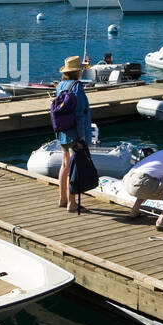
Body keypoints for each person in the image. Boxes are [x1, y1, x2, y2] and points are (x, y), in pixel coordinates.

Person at [53, 55, 92, 212]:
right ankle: (72, 203)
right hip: (75, 131)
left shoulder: (60, 85)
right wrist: (82, 136)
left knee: (64, 164)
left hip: (62, 130)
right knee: (73, 166)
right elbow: (80, 113)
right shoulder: (77, 86)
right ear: (77, 71)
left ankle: (62, 199)